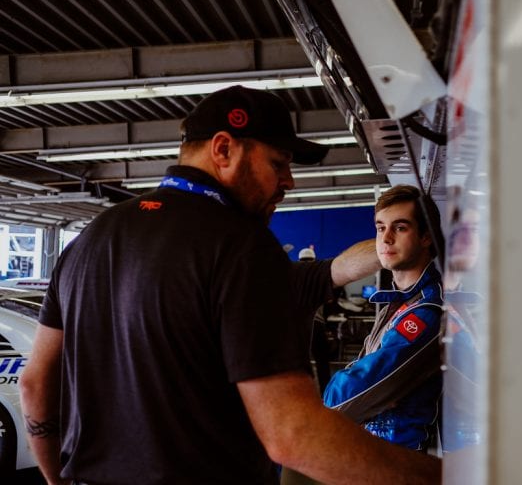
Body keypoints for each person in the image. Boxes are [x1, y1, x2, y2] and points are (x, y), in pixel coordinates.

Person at [19, 86, 440, 485]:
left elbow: (35, 384)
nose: (288, 181)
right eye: (278, 163)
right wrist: (449, 477)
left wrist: (58, 479)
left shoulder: (90, 239)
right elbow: (293, 435)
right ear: (223, 150)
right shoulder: (241, 246)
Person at [323, 184, 444, 451]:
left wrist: (364, 394)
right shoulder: (398, 303)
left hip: (402, 459)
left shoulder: (427, 312)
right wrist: (373, 395)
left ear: (426, 237)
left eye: (400, 228)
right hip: (375, 451)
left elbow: (346, 397)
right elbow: (361, 378)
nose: (386, 239)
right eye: (380, 228)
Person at [297, 246, 333, 395]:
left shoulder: (293, 277)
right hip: (317, 324)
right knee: (322, 361)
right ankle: (326, 394)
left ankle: (303, 394)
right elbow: (330, 302)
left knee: (300, 362)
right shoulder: (320, 277)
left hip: (298, 325)